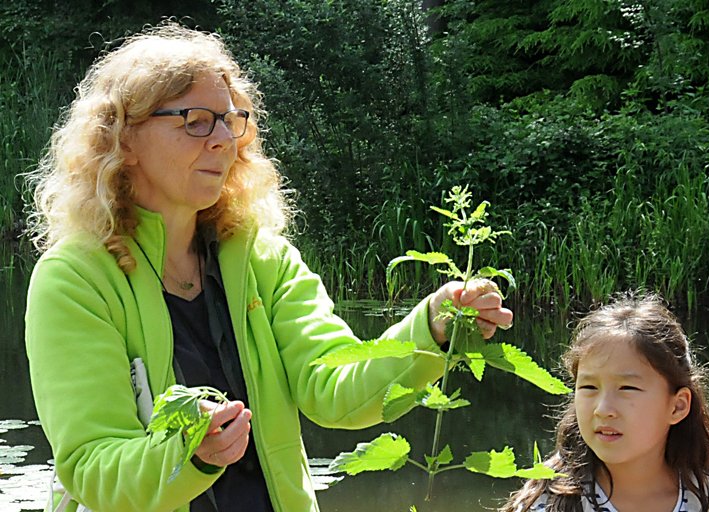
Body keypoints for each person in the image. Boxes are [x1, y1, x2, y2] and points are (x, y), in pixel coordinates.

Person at [23, 23, 513, 512]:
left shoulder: (262, 257)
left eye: (230, 119)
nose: (223, 140)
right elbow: (92, 468)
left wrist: (431, 329)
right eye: (196, 120)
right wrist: (188, 453)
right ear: (124, 139)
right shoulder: (74, 279)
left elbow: (335, 388)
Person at [500, 293, 709, 512]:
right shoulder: (549, 502)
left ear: (677, 406)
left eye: (627, 388)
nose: (603, 409)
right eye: (588, 387)